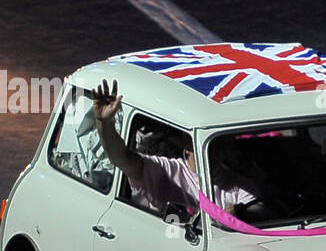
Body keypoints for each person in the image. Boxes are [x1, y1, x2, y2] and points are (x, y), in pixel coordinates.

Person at [91, 79, 259, 215]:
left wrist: (240, 214)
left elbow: (257, 209)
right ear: (188, 144)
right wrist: (104, 123)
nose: (215, 152)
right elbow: (121, 158)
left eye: (220, 145)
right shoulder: (166, 170)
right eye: (210, 146)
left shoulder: (236, 185)